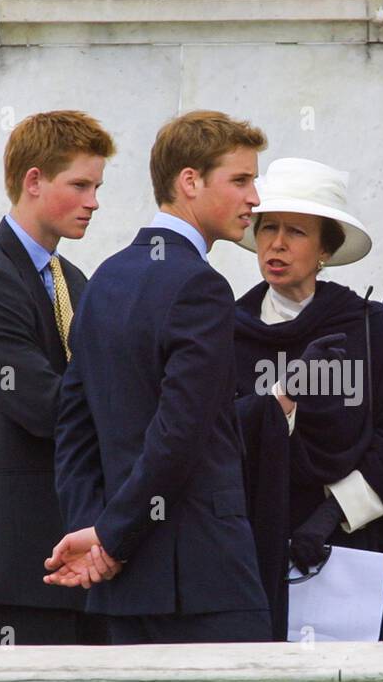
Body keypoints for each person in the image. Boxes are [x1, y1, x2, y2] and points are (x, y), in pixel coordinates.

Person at [43, 110, 271, 644]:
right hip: (203, 581)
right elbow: (179, 434)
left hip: (126, 587)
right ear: (189, 181)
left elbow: (74, 428)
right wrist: (109, 540)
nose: (254, 199)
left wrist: (95, 533)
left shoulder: (103, 279)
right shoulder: (200, 285)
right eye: (240, 180)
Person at [230, 158, 383, 640]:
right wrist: (278, 404)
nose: (277, 243)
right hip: (253, 553)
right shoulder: (227, 332)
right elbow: (214, 437)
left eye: (296, 232)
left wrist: (332, 513)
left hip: (358, 552)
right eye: (267, 228)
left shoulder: (376, 329)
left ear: (326, 247)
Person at [0, 110, 115, 646]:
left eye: (97, 187)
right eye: (80, 185)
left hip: (82, 554)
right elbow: (44, 405)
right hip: (22, 563)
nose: (93, 201)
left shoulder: (74, 279)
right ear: (34, 181)